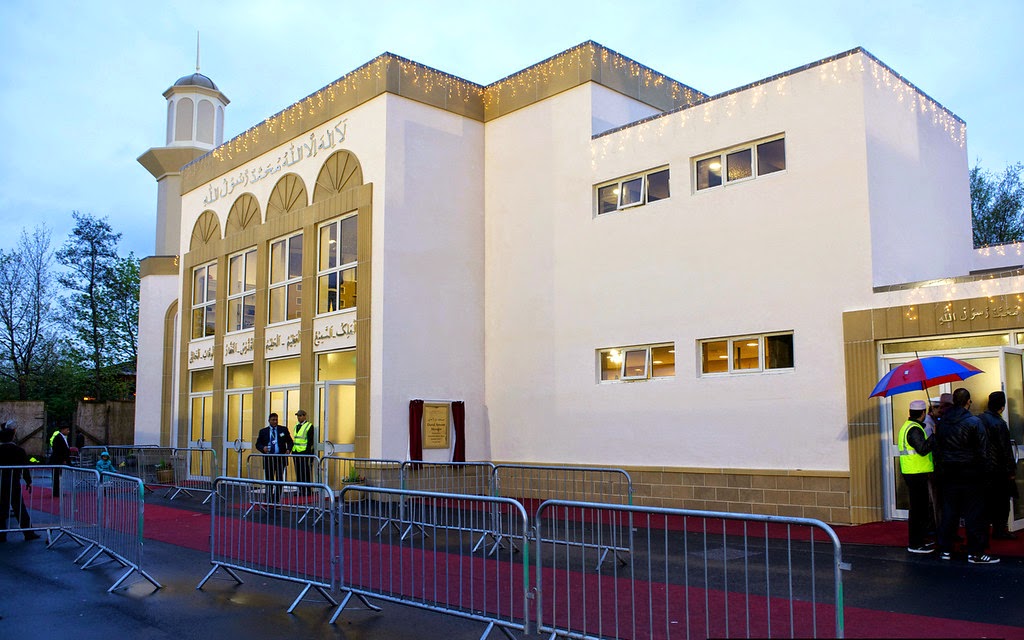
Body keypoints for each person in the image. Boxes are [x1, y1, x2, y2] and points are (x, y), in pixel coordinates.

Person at [934, 388, 998, 564]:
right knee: (974, 514)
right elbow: (983, 451)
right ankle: (975, 552)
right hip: (971, 474)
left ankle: (945, 549)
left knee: (949, 512)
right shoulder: (974, 422)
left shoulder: (942, 422)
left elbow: (938, 448)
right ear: (968, 401)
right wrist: (987, 473)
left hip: (948, 473)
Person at [978, 391, 1017, 540]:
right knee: (1002, 501)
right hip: (998, 469)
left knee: (986, 501)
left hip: (983, 467)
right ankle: (1000, 530)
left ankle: (984, 530)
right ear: (1001, 407)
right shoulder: (999, 424)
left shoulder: (979, 419)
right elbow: (1005, 449)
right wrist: (1011, 469)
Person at [898, 400, 936, 553]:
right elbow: (922, 449)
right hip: (916, 473)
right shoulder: (914, 429)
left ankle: (919, 539)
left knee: (919, 508)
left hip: (912, 472)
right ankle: (915, 543)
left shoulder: (907, 426)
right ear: (923, 413)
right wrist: (934, 436)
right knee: (918, 509)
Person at [0, 426, 41, 541]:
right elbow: (24, 468)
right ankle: (28, 532)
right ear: (12, 437)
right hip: (14, 480)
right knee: (19, 507)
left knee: (2, 508)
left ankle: (1, 534)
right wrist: (28, 481)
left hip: (1, 480)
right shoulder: (19, 451)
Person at [255, 413, 292, 502]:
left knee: (279, 479)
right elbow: (257, 444)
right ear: (269, 421)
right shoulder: (263, 431)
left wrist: (288, 450)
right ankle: (269, 499)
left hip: (280, 458)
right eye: (273, 420)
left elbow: (290, 441)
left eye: (276, 420)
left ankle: (277, 499)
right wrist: (263, 448)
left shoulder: (283, 430)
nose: (275, 421)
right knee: (269, 479)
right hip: (269, 459)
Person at [291, 409, 316, 491]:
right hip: (296, 451)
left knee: (305, 471)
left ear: (305, 416)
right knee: (298, 471)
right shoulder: (296, 426)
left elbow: (310, 440)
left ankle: (307, 490)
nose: (299, 417)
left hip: (304, 452)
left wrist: (309, 452)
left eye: (300, 415)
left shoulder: (309, 426)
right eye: (298, 416)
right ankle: (300, 489)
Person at [48, 425, 71, 496]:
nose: (68, 431)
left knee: (58, 477)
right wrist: (63, 459)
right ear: (63, 430)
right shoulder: (58, 438)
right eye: (67, 430)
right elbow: (59, 450)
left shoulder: (63, 437)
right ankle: (56, 492)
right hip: (57, 460)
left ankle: (58, 491)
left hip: (59, 460)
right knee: (56, 477)